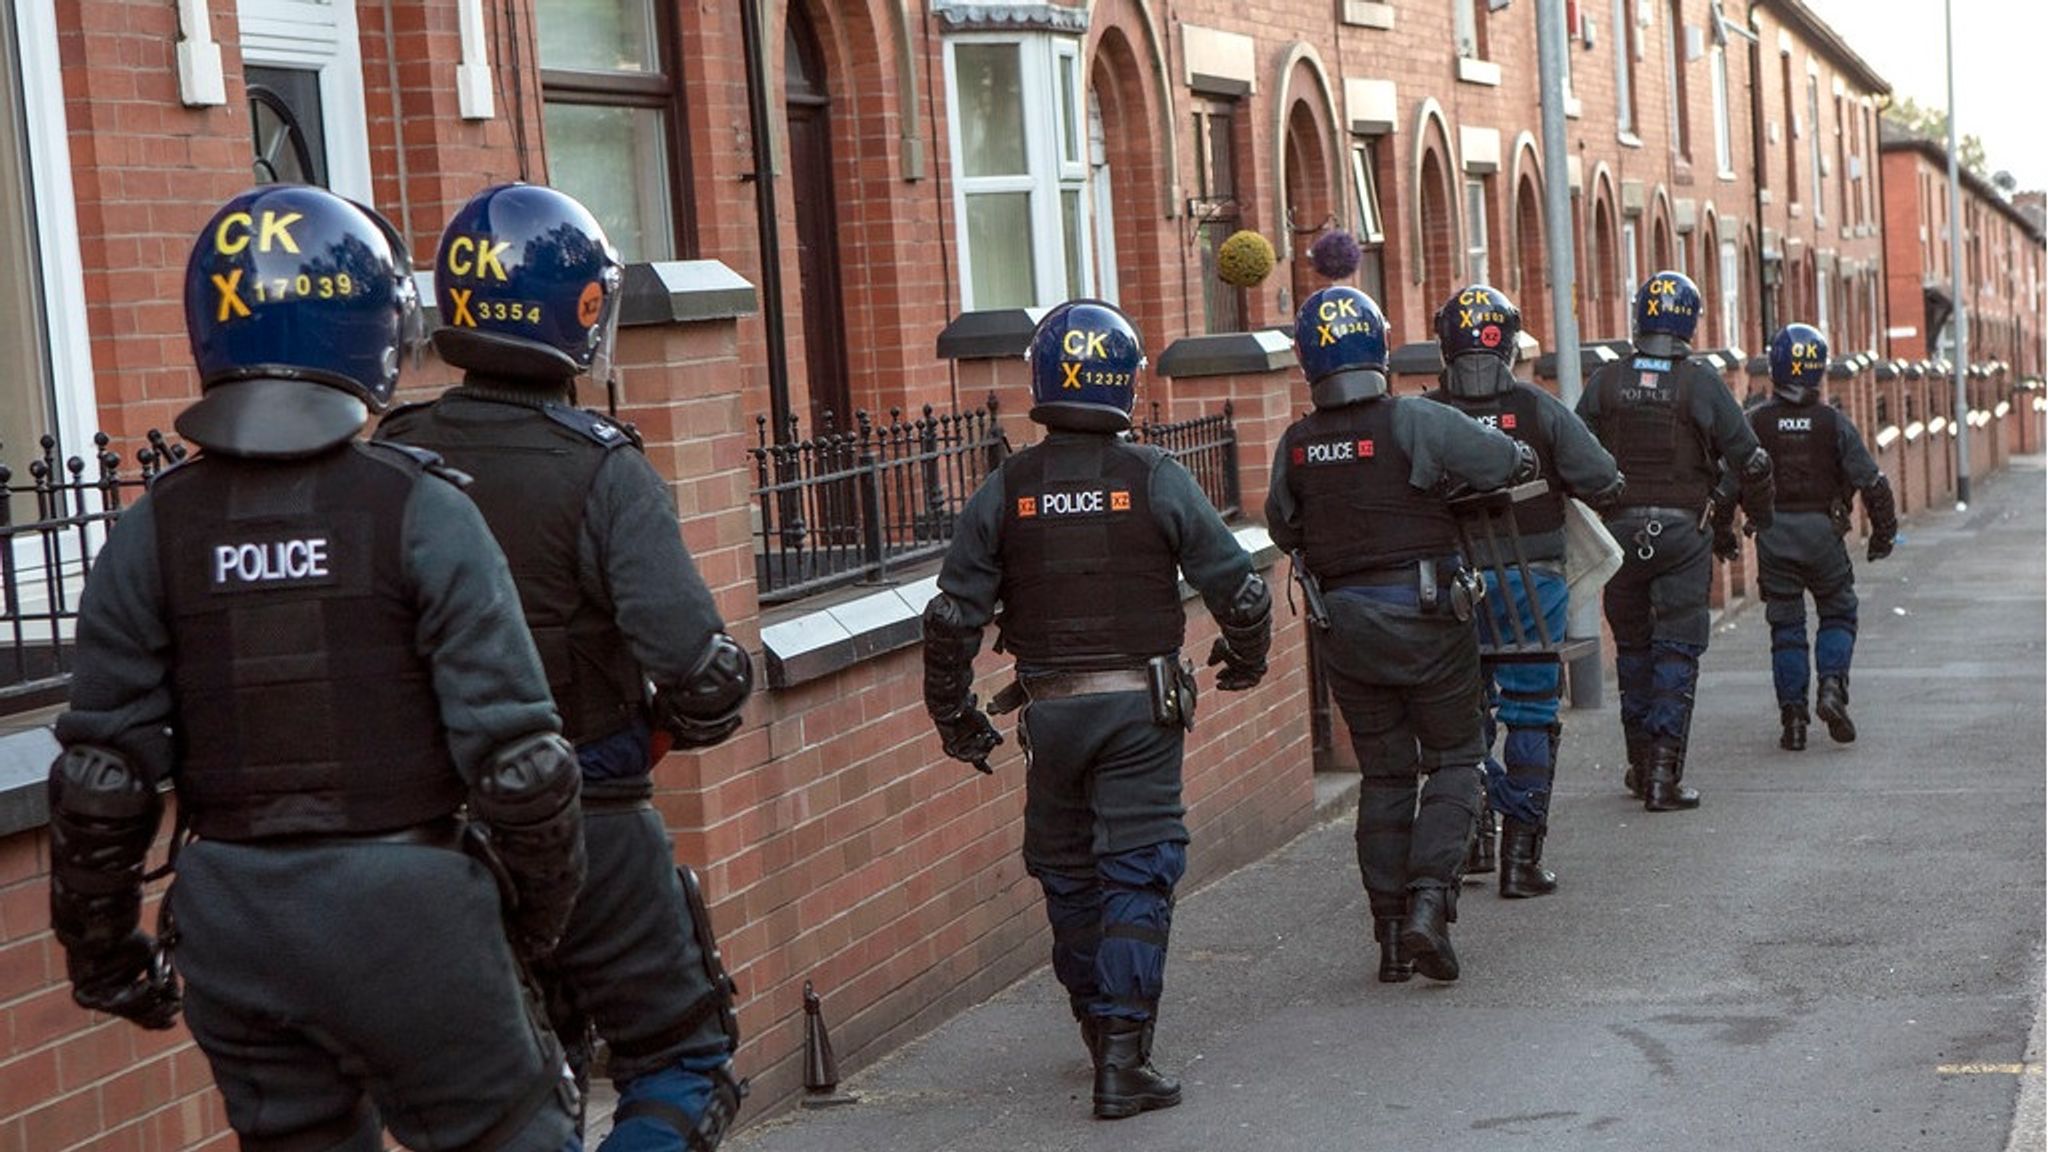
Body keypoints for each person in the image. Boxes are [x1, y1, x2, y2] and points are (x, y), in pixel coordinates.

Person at [48, 183, 586, 1151]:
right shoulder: (419, 511)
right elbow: (521, 766)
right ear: (372, 332)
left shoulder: (153, 530)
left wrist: (103, 954)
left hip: (234, 923)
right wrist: (533, 927)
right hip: (410, 913)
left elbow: (101, 776)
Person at [377, 182, 751, 1152]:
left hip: (431, 836)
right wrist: (703, 703)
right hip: (589, 819)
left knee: (505, 1101)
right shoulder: (602, 468)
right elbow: (695, 668)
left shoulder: (391, 456)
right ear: (578, 310)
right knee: (683, 1057)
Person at [921, 299, 1271, 1120]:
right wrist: (1245, 660)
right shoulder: (1154, 476)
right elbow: (1242, 589)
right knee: (1138, 868)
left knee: (1069, 871)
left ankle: (1095, 1025)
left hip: (1050, 713)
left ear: (1040, 379)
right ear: (1127, 382)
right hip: (1139, 711)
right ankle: (1123, 1056)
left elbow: (949, 619)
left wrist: (955, 718)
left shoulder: (1007, 486)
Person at [1267, 286, 1533, 984]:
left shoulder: (1295, 444)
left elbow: (1280, 526)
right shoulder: (1413, 419)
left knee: (1384, 774)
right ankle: (1426, 906)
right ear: (1377, 349)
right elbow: (1503, 462)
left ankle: (1388, 938)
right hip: (1428, 621)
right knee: (1454, 756)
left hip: (1348, 633)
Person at [1422, 284, 1623, 898]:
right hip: (1536, 592)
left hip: (1454, 592)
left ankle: (1471, 839)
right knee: (1533, 711)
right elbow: (1602, 478)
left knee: (1463, 718)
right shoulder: (1540, 410)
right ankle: (1520, 860)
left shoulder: (1424, 414)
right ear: (1510, 345)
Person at [1576, 270, 1775, 812]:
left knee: (1635, 652)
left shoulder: (1606, 380)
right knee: (1676, 652)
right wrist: (1755, 518)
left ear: (1639, 316)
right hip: (1684, 534)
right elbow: (1751, 460)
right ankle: (1664, 775)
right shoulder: (1701, 382)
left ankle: (1640, 765)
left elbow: (1572, 454)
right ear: (1691, 322)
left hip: (1618, 536)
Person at [1714, 323, 1896, 750]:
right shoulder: (1834, 423)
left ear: (1774, 367)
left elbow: (1726, 485)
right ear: (1820, 369)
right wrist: (1883, 534)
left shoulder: (1755, 422)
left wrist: (1723, 535)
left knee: (1787, 629)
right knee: (1837, 613)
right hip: (1824, 537)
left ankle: (1793, 720)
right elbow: (1873, 481)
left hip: (1775, 537)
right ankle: (1831, 686)